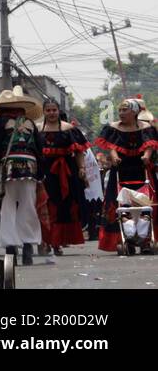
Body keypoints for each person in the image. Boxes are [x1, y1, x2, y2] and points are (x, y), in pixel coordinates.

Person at [95, 98, 158, 255]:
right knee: (121, 205)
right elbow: (111, 146)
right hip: (121, 169)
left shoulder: (146, 128)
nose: (121, 113)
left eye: (125, 110)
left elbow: (150, 144)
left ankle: (146, 239)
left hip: (141, 169)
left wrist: (147, 155)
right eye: (120, 110)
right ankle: (125, 239)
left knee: (147, 204)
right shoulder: (113, 128)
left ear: (135, 112)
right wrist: (114, 157)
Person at [0, 86, 43, 266]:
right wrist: (41, 174)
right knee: (28, 206)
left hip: (8, 169)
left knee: (7, 207)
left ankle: (11, 247)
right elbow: (40, 149)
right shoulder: (30, 123)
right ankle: (27, 246)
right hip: (30, 168)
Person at [38, 99, 87, 256]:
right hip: (44, 172)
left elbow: (79, 151)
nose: (51, 113)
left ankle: (58, 242)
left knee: (64, 206)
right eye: (48, 110)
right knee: (45, 206)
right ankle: (45, 241)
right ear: (44, 112)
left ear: (58, 111)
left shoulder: (69, 129)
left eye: (54, 110)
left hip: (66, 172)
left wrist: (81, 168)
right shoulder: (37, 129)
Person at [83, 142, 104, 240]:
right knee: (89, 209)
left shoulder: (88, 150)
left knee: (93, 210)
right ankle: (91, 232)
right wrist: (84, 178)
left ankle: (93, 232)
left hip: (93, 184)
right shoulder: (84, 149)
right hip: (87, 184)